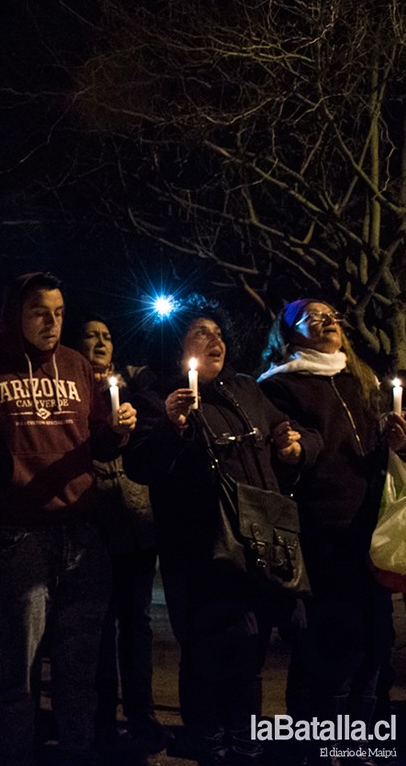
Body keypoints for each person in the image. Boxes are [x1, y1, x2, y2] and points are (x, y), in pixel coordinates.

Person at [0, 272, 136, 766]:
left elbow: (98, 441)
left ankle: (77, 751)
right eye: (39, 313)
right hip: (18, 536)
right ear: (15, 314)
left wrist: (117, 431)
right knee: (17, 669)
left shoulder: (75, 365)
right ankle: (15, 755)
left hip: (82, 534)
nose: (52, 323)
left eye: (58, 313)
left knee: (78, 664)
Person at [125, 298, 320, 766]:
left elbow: (293, 437)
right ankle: (209, 744)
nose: (215, 341)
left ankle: (245, 744)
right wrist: (171, 426)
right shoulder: (156, 395)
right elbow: (141, 465)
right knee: (210, 649)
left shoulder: (247, 390)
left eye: (218, 333)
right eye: (200, 334)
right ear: (177, 351)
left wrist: (295, 447)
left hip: (257, 546)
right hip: (201, 551)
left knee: (250, 647)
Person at [258, 299, 403, 756]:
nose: (328, 320)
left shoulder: (359, 380)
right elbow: (296, 452)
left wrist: (398, 441)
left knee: (377, 648)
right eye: (312, 316)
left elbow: (377, 447)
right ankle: (316, 747)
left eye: (332, 314)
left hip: (370, 531)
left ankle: (359, 743)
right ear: (289, 333)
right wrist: (296, 453)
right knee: (330, 649)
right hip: (324, 535)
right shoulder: (282, 388)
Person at [76, 316, 166, 753]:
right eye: (91, 335)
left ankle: (141, 713)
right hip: (96, 519)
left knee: (137, 621)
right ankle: (102, 716)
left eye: (107, 336)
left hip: (135, 516)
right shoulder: (72, 387)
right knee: (101, 622)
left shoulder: (131, 385)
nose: (100, 342)